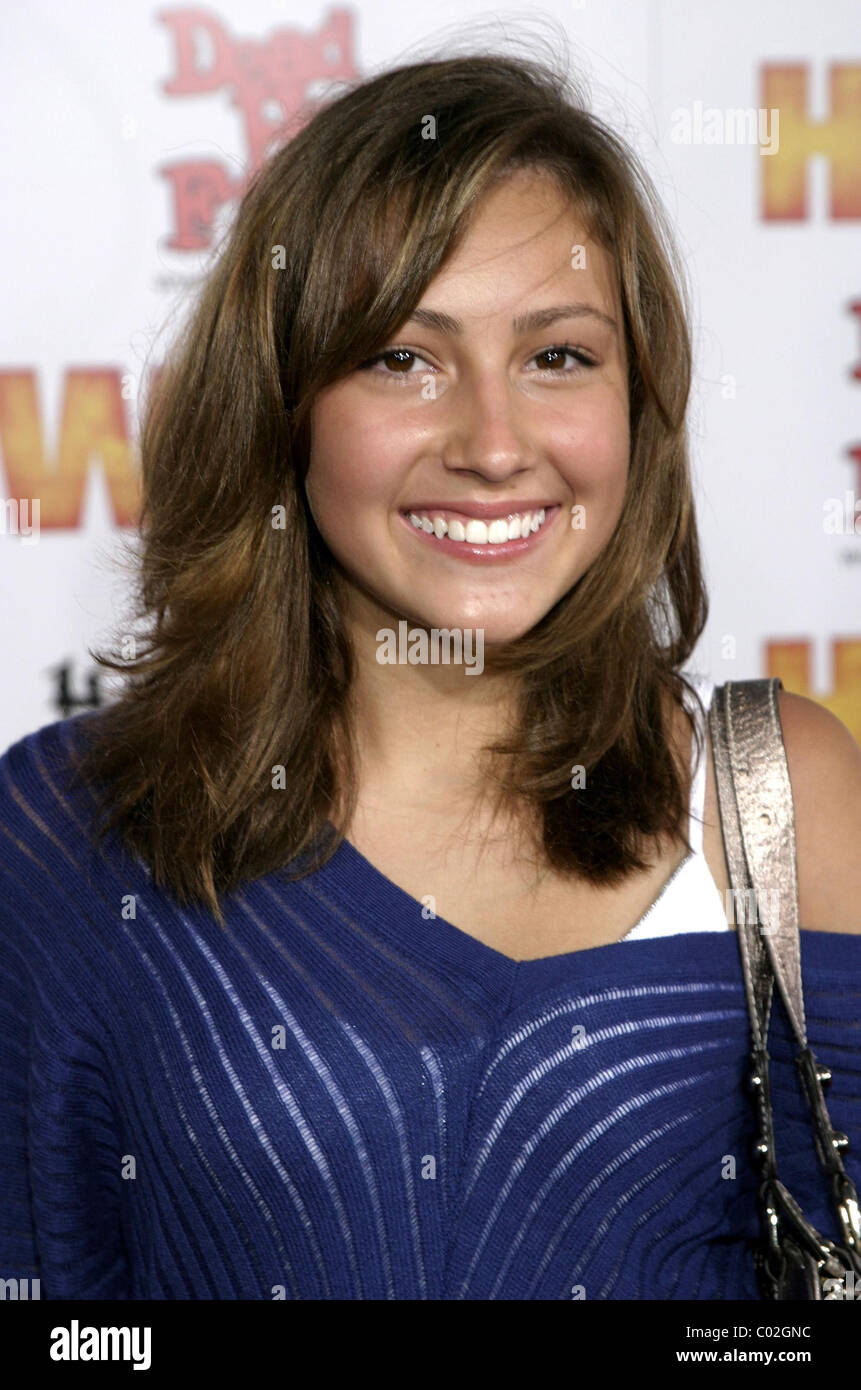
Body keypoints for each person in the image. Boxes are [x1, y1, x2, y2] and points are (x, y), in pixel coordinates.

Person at [1, 49, 860, 1302]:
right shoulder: (73, 827)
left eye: (558, 356)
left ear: (639, 404)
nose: (495, 445)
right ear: (284, 405)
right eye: (405, 357)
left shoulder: (783, 793)